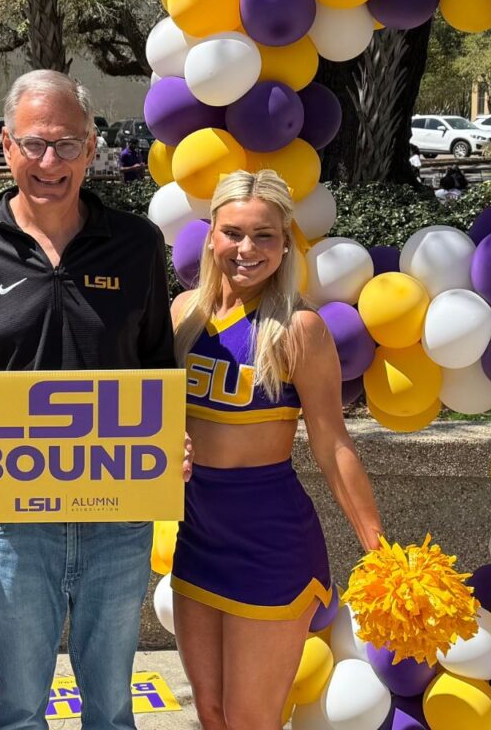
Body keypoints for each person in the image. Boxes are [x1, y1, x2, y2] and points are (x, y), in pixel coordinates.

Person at [0, 70, 176, 730]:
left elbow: (157, 361)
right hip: (12, 518)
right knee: (17, 704)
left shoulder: (138, 245)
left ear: (91, 149)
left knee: (112, 705)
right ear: (5, 147)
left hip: (120, 514)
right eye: (35, 144)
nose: (50, 163)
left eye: (67, 145)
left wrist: (171, 436)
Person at [169, 170, 383, 729]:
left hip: (269, 541)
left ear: (286, 241)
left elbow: (332, 443)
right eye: (233, 233)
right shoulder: (182, 316)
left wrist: (378, 548)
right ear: (210, 234)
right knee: (211, 713)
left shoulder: (299, 328)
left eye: (264, 235)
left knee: (250, 719)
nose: (247, 249)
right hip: (197, 535)